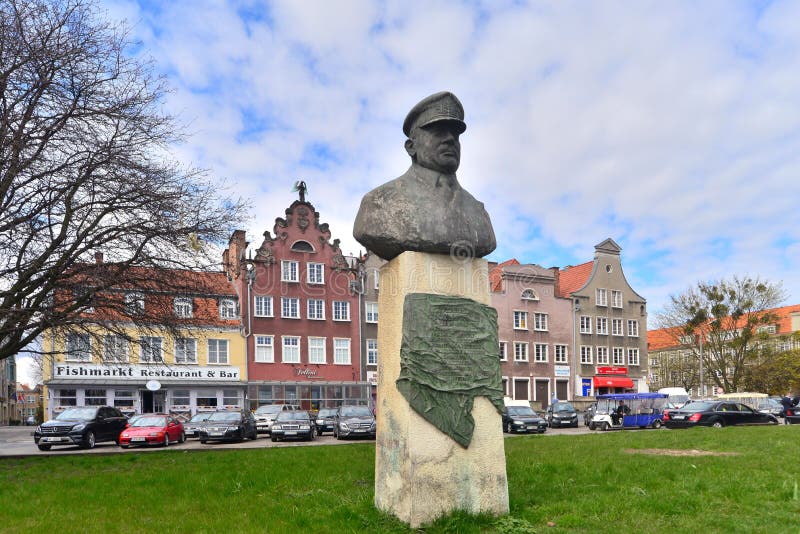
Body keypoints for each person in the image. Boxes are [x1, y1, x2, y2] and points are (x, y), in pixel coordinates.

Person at [353, 91, 496, 261]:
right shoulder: (379, 203)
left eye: (455, 135)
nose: (450, 139)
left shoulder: (479, 212)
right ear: (411, 147)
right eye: (438, 132)